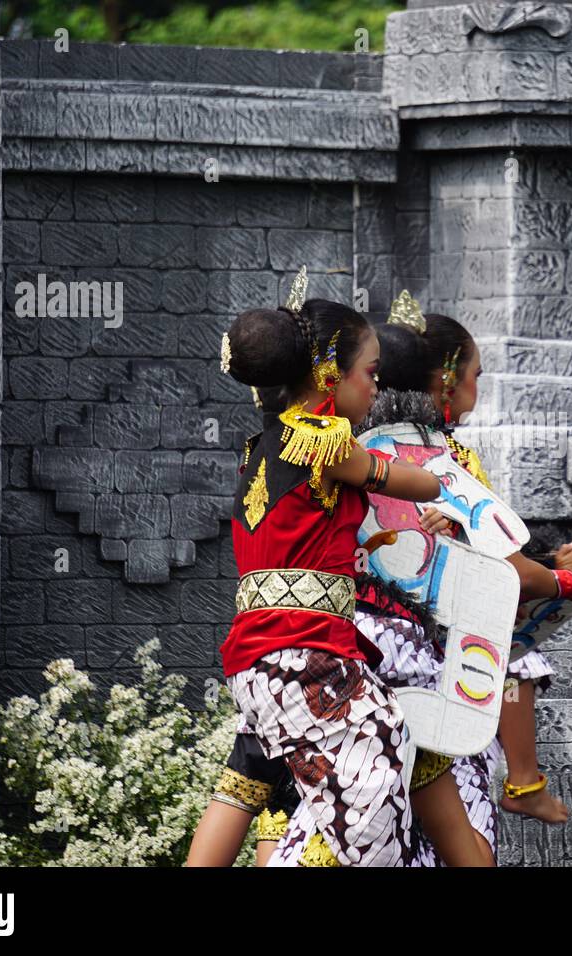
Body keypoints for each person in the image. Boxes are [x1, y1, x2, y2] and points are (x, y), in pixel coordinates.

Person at [188, 272, 442, 867]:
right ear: (329, 373)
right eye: (371, 373)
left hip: (261, 659)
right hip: (306, 656)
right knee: (378, 781)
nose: (376, 388)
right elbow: (416, 481)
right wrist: (433, 481)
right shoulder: (327, 441)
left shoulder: (260, 446)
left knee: (253, 780)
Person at [361, 291, 572, 864]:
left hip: (332, 665)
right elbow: (504, 569)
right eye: (474, 375)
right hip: (428, 667)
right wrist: (570, 582)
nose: (475, 390)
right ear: (441, 382)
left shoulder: (336, 453)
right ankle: (525, 779)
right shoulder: (444, 464)